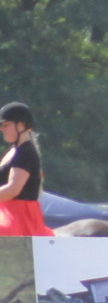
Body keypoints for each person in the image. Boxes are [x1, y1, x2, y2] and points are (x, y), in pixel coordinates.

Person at [0, 102, 55, 237]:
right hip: (6, 211)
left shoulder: (25, 152)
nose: (2, 129)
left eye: (6, 125)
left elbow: (13, 189)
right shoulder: (12, 151)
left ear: (21, 125)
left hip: (19, 215)